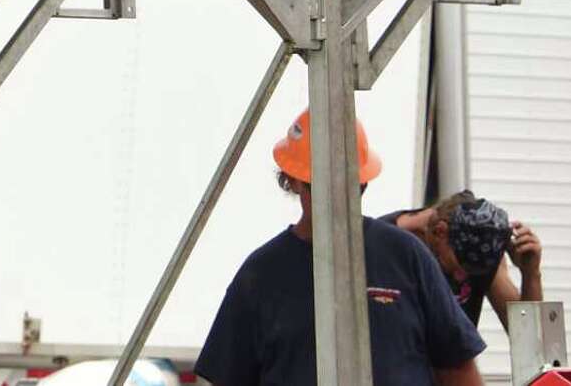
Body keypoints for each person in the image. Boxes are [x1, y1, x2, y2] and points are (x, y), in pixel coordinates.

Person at [196, 111, 487, 386]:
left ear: (362, 182)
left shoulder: (406, 256)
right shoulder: (261, 275)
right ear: (294, 181)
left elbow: (458, 368)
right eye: (320, 184)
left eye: (348, 184)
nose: (335, 195)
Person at [384, 193, 544, 337]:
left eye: (472, 273)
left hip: (450, 366)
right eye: (459, 266)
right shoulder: (385, 241)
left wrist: (530, 273)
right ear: (440, 232)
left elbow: (527, 337)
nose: (460, 277)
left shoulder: (481, 253)